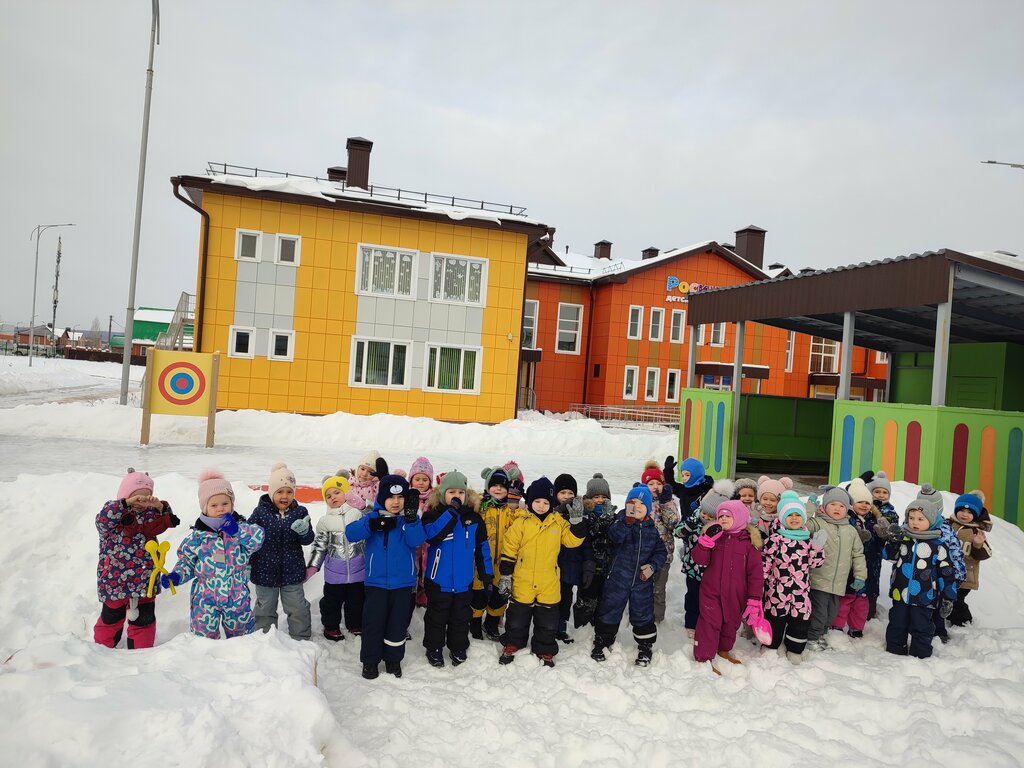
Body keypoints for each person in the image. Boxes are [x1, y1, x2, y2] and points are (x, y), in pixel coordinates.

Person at [163, 470, 264, 639]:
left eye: (225, 503)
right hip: (205, 596)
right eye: (214, 505)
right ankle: (205, 660)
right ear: (205, 508)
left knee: (243, 637)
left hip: (236, 594)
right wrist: (177, 576)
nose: (220, 509)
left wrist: (237, 531)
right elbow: (187, 562)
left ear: (232, 504)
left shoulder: (241, 528)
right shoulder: (198, 537)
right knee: (203, 637)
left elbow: (258, 539)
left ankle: (243, 660)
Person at [497, 477, 587, 667]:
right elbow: (509, 549)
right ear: (530, 502)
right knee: (517, 617)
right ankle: (513, 643)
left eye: (546, 502)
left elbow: (573, 541)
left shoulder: (558, 523)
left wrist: (577, 523)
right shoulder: (521, 522)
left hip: (549, 581)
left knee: (548, 621)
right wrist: (506, 576)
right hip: (523, 580)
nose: (541, 505)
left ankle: (545, 648)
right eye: (537, 501)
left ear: (551, 504)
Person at [346, 474, 426, 679]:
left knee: (397, 625)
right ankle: (370, 661)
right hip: (376, 583)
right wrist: (372, 525)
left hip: (402, 584)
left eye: (401, 498)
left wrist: (410, 519)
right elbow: (351, 533)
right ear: (382, 498)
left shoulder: (410, 520)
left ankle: (393, 660)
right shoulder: (373, 517)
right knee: (373, 623)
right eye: (391, 498)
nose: (396, 502)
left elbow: (416, 540)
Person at [94, 469, 179, 649]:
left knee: (144, 620)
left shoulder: (150, 516)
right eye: (136, 497)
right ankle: (102, 648)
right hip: (115, 581)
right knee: (111, 618)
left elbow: (169, 520)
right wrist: (125, 504)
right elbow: (102, 520)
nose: (141, 502)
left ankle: (141, 651)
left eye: (146, 497)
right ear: (126, 496)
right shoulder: (114, 516)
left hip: (145, 582)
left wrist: (160, 507)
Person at [421, 471, 491, 667]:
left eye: (460, 492)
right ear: (442, 493)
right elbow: (432, 536)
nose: (456, 496)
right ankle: (434, 647)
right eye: (451, 492)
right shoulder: (431, 515)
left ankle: (458, 646)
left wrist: (487, 576)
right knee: (437, 617)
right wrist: (450, 513)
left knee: (460, 617)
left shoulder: (474, 519)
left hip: (463, 581)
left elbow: (482, 548)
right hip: (438, 580)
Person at [591, 485, 667, 666]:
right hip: (618, 578)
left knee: (643, 614)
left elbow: (661, 552)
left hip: (641, 583)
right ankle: (603, 641)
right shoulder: (621, 521)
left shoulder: (651, 529)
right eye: (633, 502)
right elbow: (614, 537)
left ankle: (645, 646)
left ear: (648, 508)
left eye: (642, 503)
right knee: (610, 610)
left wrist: (652, 567)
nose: (638, 506)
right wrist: (627, 521)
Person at [878, 497, 957, 658]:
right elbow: (888, 555)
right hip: (900, 593)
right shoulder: (904, 539)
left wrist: (948, 597)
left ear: (932, 520)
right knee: (897, 623)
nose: (915, 522)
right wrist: (893, 541)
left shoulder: (938, 545)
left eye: (921, 519)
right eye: (911, 518)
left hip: (924, 597)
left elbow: (947, 572)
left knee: (922, 626)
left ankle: (920, 654)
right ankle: (894, 651)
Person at [691, 500, 764, 673]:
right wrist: (705, 543)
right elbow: (699, 560)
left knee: (731, 623)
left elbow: (755, 574)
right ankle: (704, 657)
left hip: (736, 594)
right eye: (720, 516)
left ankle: (723, 650)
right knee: (710, 623)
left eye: (727, 516)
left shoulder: (749, 543)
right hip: (711, 591)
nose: (723, 518)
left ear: (739, 517)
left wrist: (754, 599)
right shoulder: (714, 536)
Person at [248, 463, 314, 641]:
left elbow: (308, 539)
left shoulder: (300, 512)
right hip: (264, 571)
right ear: (271, 493)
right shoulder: (260, 512)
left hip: (292, 571)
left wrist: (304, 531)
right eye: (280, 492)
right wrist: (247, 561)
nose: (285, 496)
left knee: (298, 607)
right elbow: (248, 537)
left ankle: (301, 640)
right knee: (265, 608)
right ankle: (264, 639)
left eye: (289, 492)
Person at [761, 491, 825, 664]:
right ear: (783, 518)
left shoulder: (807, 541)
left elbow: (815, 564)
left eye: (798, 515)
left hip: (800, 590)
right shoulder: (775, 540)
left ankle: (795, 649)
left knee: (800, 620)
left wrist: (818, 549)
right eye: (790, 515)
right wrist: (760, 579)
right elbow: (766, 561)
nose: (795, 518)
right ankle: (770, 646)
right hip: (777, 589)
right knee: (775, 618)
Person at [804, 486, 867, 650]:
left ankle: (820, 634)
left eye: (841, 506)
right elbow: (801, 525)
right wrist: (809, 508)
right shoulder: (817, 523)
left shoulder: (851, 530)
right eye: (833, 504)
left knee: (831, 613)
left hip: (838, 583)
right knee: (819, 612)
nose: (837, 508)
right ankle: (812, 638)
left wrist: (860, 576)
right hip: (818, 579)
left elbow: (858, 554)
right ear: (824, 506)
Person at [305, 472, 365, 641]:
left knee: (356, 601)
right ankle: (331, 626)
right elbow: (319, 545)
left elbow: (370, 525)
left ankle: (355, 624)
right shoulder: (325, 521)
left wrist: (360, 505)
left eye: (337, 492)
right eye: (328, 495)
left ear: (347, 492)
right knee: (331, 602)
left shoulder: (358, 514)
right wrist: (313, 566)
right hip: (334, 574)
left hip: (358, 570)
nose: (332, 497)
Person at [675, 479, 734, 638]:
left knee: (709, 599)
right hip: (692, 569)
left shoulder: (721, 529)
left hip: (711, 572)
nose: (704, 516)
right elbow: (678, 532)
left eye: (709, 515)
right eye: (703, 512)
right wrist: (689, 525)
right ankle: (691, 623)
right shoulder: (695, 517)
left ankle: (707, 621)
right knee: (693, 596)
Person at [473, 465, 516, 641]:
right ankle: (474, 624)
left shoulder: (512, 510)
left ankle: (491, 624)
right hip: (481, 562)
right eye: (494, 485)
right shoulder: (481, 507)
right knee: (478, 595)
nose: (498, 489)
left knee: (499, 597)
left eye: (503, 486)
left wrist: (515, 507)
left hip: (503, 563)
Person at [831, 479, 876, 638]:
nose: (864, 505)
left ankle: (857, 627)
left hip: (868, 566)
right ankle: (837, 626)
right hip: (848, 566)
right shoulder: (847, 518)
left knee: (861, 601)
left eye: (867, 502)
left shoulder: (872, 520)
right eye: (860, 502)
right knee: (846, 599)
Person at [553, 473, 593, 642]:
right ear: (556, 495)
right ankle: (553, 626)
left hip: (573, 565)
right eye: (563, 493)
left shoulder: (581, 513)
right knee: (555, 598)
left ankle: (563, 626)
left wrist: (589, 563)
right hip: (555, 566)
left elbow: (586, 541)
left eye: (570, 493)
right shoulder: (552, 514)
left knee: (567, 598)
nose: (567, 497)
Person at [575, 473, 617, 628]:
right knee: (587, 597)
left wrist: (610, 519)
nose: (600, 500)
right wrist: (603, 522)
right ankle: (582, 626)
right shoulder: (586, 514)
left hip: (607, 566)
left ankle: (598, 624)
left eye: (603, 496)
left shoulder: (613, 515)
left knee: (603, 598)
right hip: (589, 566)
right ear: (589, 498)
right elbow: (591, 533)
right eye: (596, 497)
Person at [946, 492, 993, 627]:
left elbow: (985, 554)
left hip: (966, 575)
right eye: (961, 510)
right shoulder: (949, 524)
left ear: (976, 514)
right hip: (947, 571)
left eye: (969, 512)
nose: (964, 514)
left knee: (956, 599)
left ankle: (963, 623)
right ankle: (948, 618)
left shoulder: (976, 532)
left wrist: (977, 544)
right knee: (947, 597)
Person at [642, 462, 680, 623]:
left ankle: (657, 618)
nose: (655, 486)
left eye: (659, 483)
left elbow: (673, 523)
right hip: (644, 553)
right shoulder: (641, 501)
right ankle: (639, 614)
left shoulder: (669, 502)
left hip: (663, 555)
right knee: (642, 586)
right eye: (651, 484)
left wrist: (665, 504)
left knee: (658, 588)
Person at [864, 472, 899, 619]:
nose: (881, 495)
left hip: (876, 551)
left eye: (885, 492)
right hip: (861, 549)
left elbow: (894, 531)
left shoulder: (890, 512)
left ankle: (870, 610)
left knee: (872, 578)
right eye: (877, 491)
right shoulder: (865, 506)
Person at [408, 457, 434, 610]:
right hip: (413, 542)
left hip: (427, 542)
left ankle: (423, 592)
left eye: (425, 479)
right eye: (417, 479)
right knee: (414, 565)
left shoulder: (433, 499)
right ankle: (413, 590)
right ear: (411, 480)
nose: (421, 482)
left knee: (426, 566)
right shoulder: (406, 497)